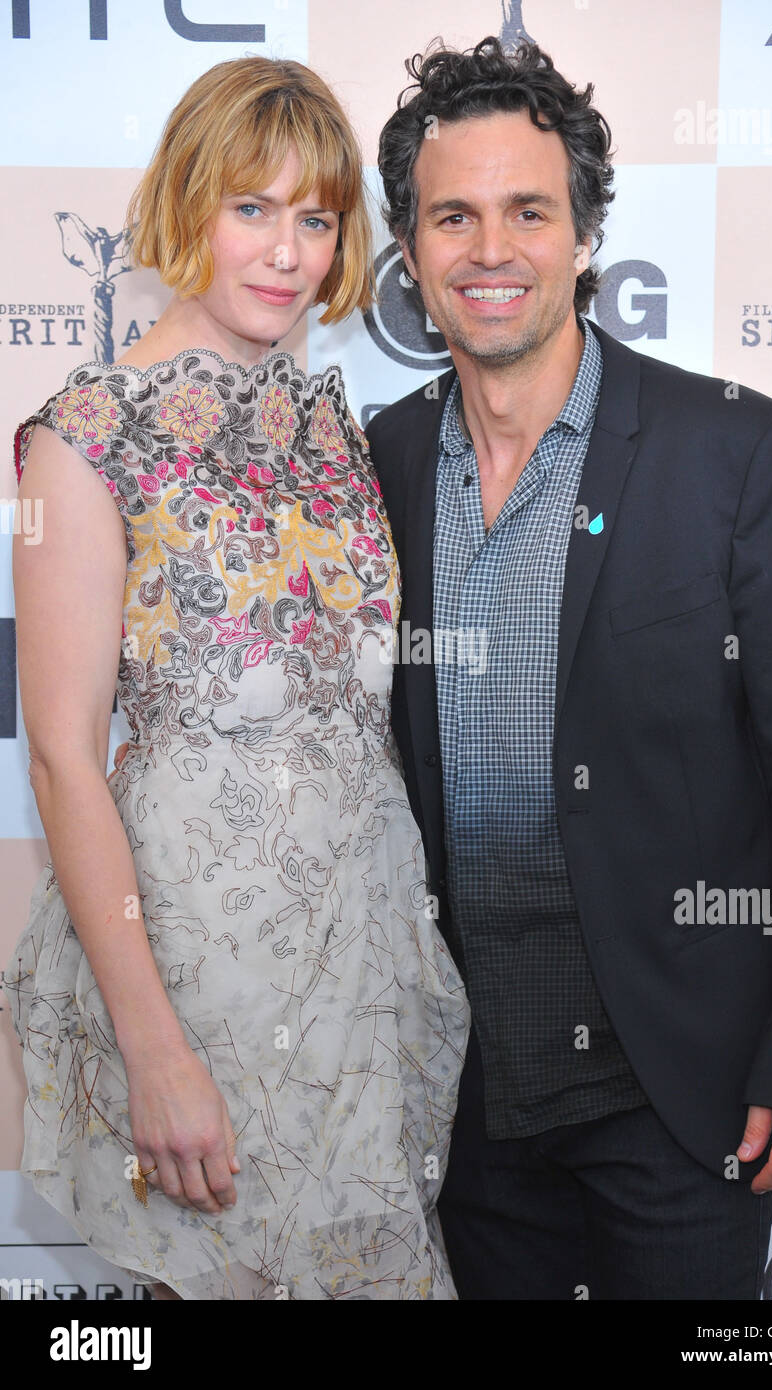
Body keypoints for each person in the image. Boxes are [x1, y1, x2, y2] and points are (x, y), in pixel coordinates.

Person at [364, 36, 772, 1300]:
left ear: (583, 236)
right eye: (453, 217)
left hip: (684, 1092)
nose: (490, 250)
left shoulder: (736, 450)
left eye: (528, 211)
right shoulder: (377, 461)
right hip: (463, 1094)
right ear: (410, 254)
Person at [6, 54, 468, 1301]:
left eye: (314, 219)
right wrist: (154, 1048)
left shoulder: (334, 426)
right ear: (184, 204)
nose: (286, 253)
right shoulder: (82, 436)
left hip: (363, 964)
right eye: (250, 209)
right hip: (196, 976)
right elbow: (60, 754)